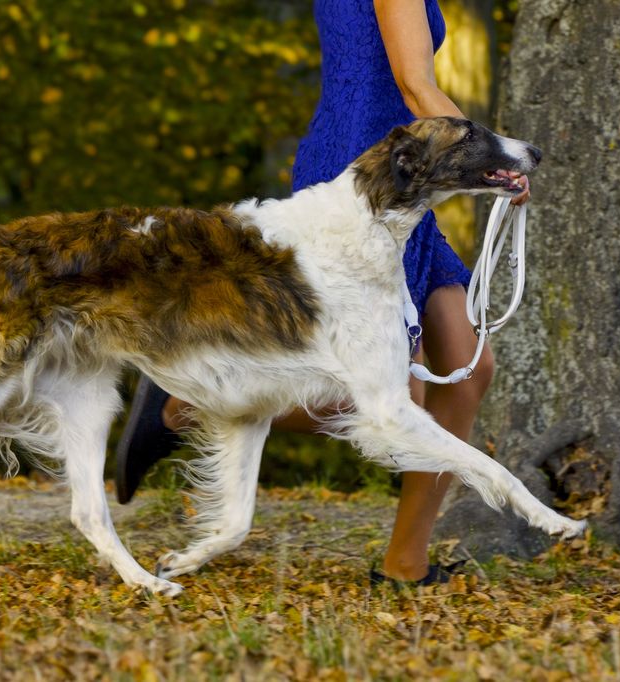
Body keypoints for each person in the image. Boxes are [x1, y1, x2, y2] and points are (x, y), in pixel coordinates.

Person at [115, 0, 529, 585]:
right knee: (387, 396)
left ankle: (405, 564)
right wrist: (497, 164)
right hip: (372, 180)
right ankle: (185, 398)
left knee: (468, 365)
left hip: (404, 180)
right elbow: (414, 87)